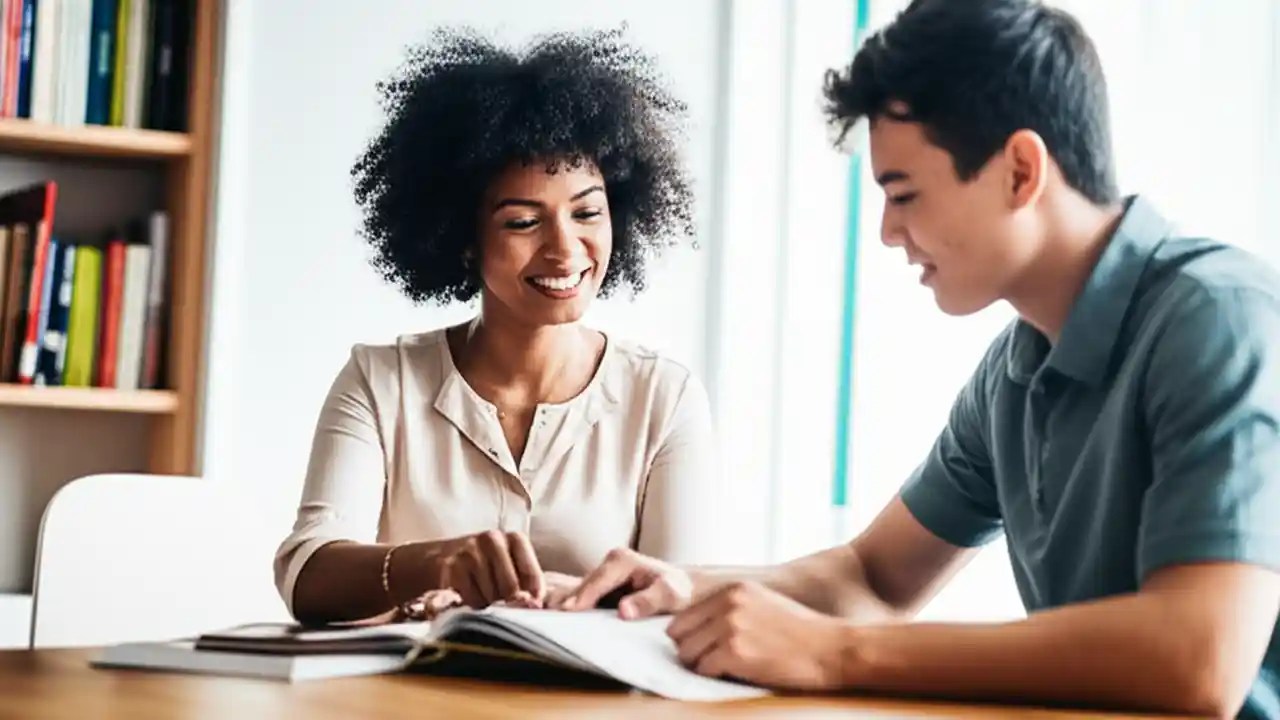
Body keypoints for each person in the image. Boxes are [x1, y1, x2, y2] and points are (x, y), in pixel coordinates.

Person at [557, 1, 1280, 717]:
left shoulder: (1218, 317)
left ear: (1020, 172)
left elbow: (1202, 659)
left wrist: (834, 653)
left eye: (903, 194)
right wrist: (684, 590)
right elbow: (873, 577)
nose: (887, 231)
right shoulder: (1013, 370)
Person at [274, 27, 718, 625]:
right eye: (523, 222)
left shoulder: (663, 398)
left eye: (587, 212)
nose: (565, 249)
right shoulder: (382, 382)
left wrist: (560, 599)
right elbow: (307, 574)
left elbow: (680, 605)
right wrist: (437, 562)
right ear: (462, 237)